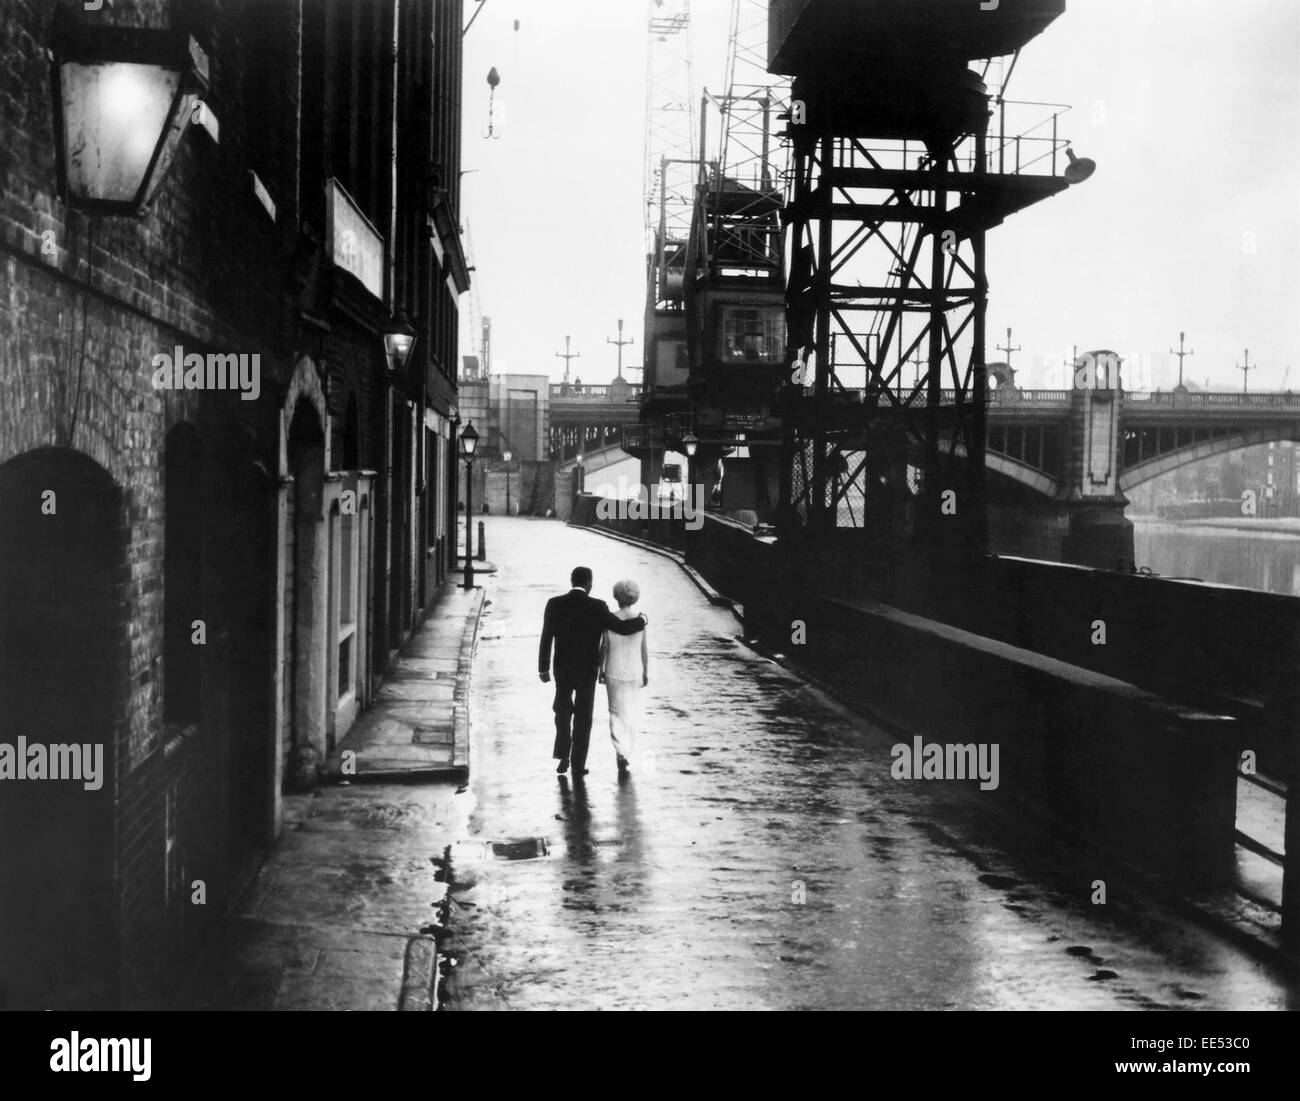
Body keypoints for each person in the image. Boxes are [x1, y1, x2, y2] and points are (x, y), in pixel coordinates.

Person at [539, 566, 646, 778]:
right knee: (583, 716)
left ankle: (563, 754)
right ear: (590, 583)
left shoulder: (554, 603)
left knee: (561, 710)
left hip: (562, 667)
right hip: (587, 670)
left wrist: (543, 667)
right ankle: (578, 764)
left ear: (572, 581)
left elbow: (546, 637)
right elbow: (621, 627)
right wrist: (642, 620)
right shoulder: (598, 606)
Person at [598, 579, 648, 777]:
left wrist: (600, 668)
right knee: (632, 712)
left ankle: (620, 752)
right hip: (635, 670)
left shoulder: (611, 619)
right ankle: (628, 750)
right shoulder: (640, 619)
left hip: (613, 669)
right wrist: (646, 671)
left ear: (616, 596)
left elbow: (605, 646)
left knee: (615, 713)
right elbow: (644, 648)